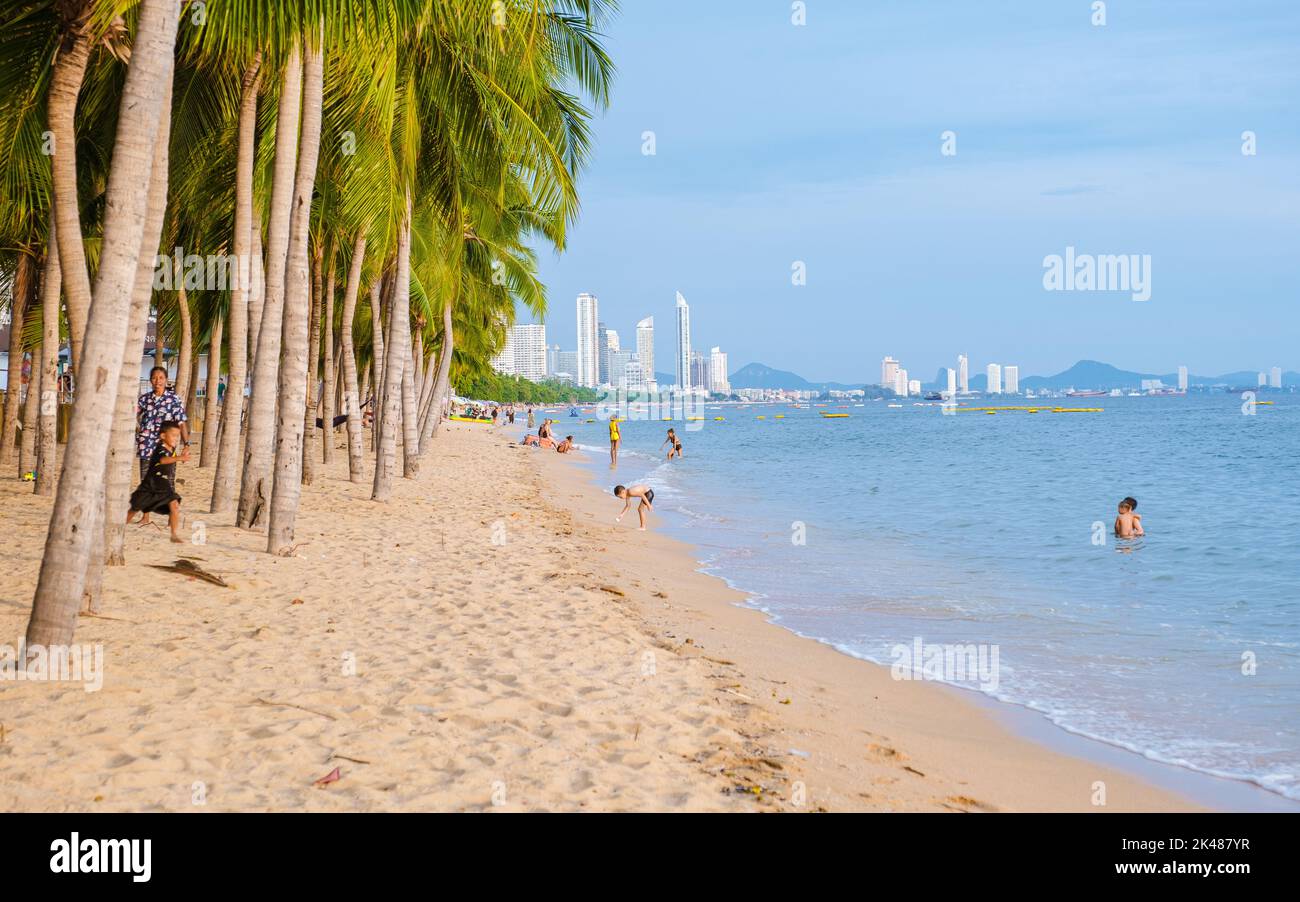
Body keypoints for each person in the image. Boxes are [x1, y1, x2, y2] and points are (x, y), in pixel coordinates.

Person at [127, 421, 189, 542]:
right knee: (133, 509)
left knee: (174, 505)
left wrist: (183, 453)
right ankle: (119, 527)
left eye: (178, 436)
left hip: (163, 485)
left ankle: (174, 534)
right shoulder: (159, 448)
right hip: (150, 484)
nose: (176, 438)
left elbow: (173, 457)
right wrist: (179, 458)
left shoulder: (172, 448)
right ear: (163, 436)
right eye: (173, 435)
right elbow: (163, 460)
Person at [137, 366, 189, 482]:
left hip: (166, 448)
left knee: (167, 483)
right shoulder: (145, 399)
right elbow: (132, 415)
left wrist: (186, 444)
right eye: (154, 378)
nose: (158, 381)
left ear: (166, 380)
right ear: (150, 380)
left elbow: (181, 422)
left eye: (161, 378)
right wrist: (139, 430)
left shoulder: (174, 399)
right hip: (146, 447)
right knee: (146, 483)